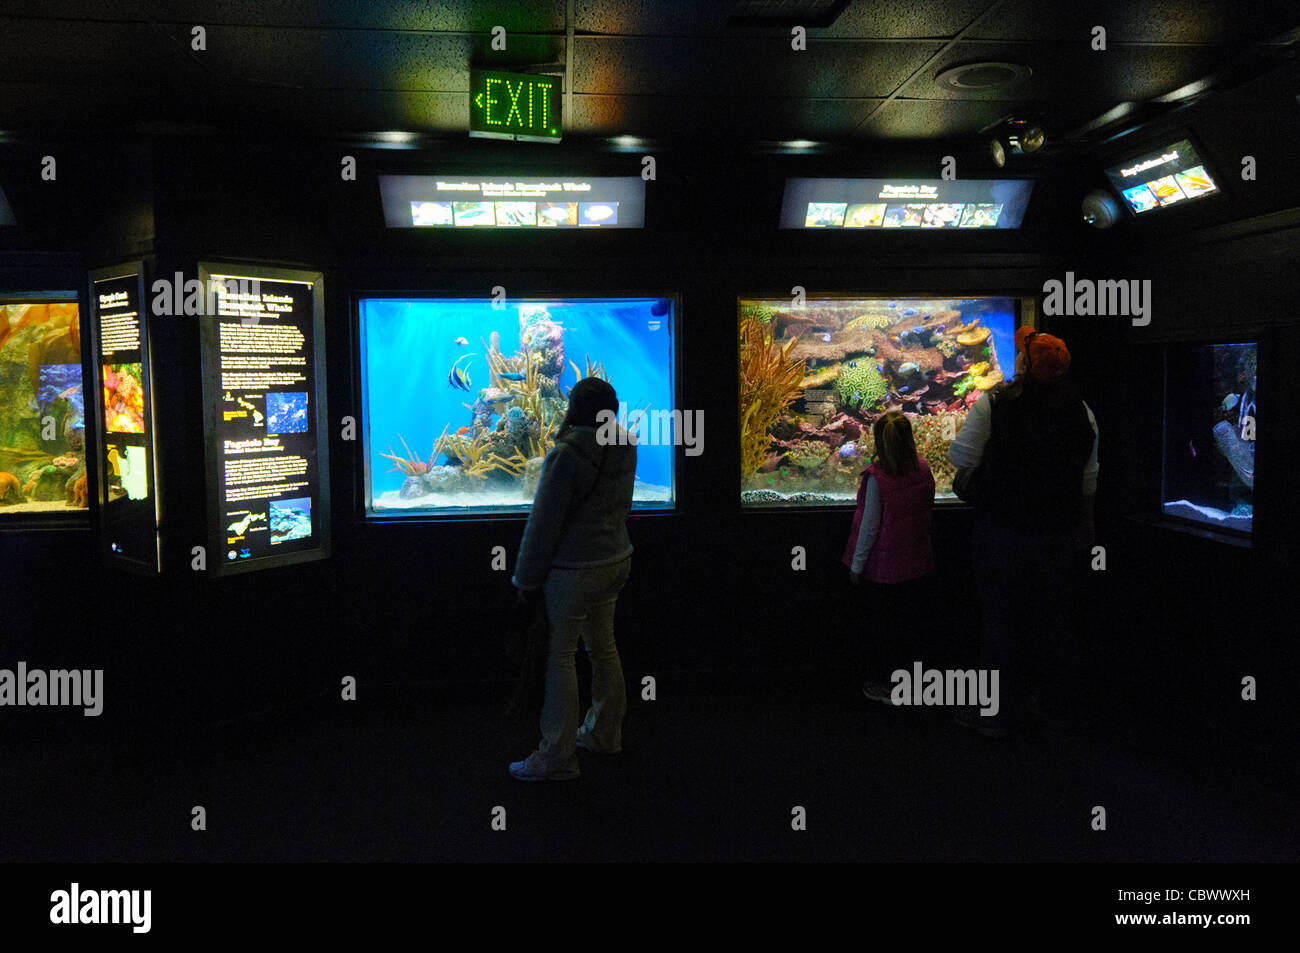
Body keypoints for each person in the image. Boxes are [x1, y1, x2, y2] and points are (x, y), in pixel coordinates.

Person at [948, 327, 1099, 737]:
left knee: (998, 618)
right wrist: (1085, 525)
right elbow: (1089, 478)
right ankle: (1052, 708)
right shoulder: (1081, 410)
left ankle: (995, 715)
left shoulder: (994, 405)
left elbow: (960, 455)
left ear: (1026, 365)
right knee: (1053, 618)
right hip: (1057, 534)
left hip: (1002, 530)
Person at [509, 377, 637, 781]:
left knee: (559, 655)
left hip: (574, 570)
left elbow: (543, 523)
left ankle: (557, 757)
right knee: (604, 647)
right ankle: (604, 734)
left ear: (575, 407)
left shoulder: (566, 453)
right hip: (615, 559)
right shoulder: (625, 442)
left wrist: (524, 579)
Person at [843, 410, 936, 704]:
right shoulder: (923, 468)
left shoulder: (876, 478)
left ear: (879, 444)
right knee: (910, 624)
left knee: (882, 627)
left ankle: (883, 684)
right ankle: (911, 682)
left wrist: (856, 567)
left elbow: (869, 527)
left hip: (883, 571)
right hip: (918, 563)